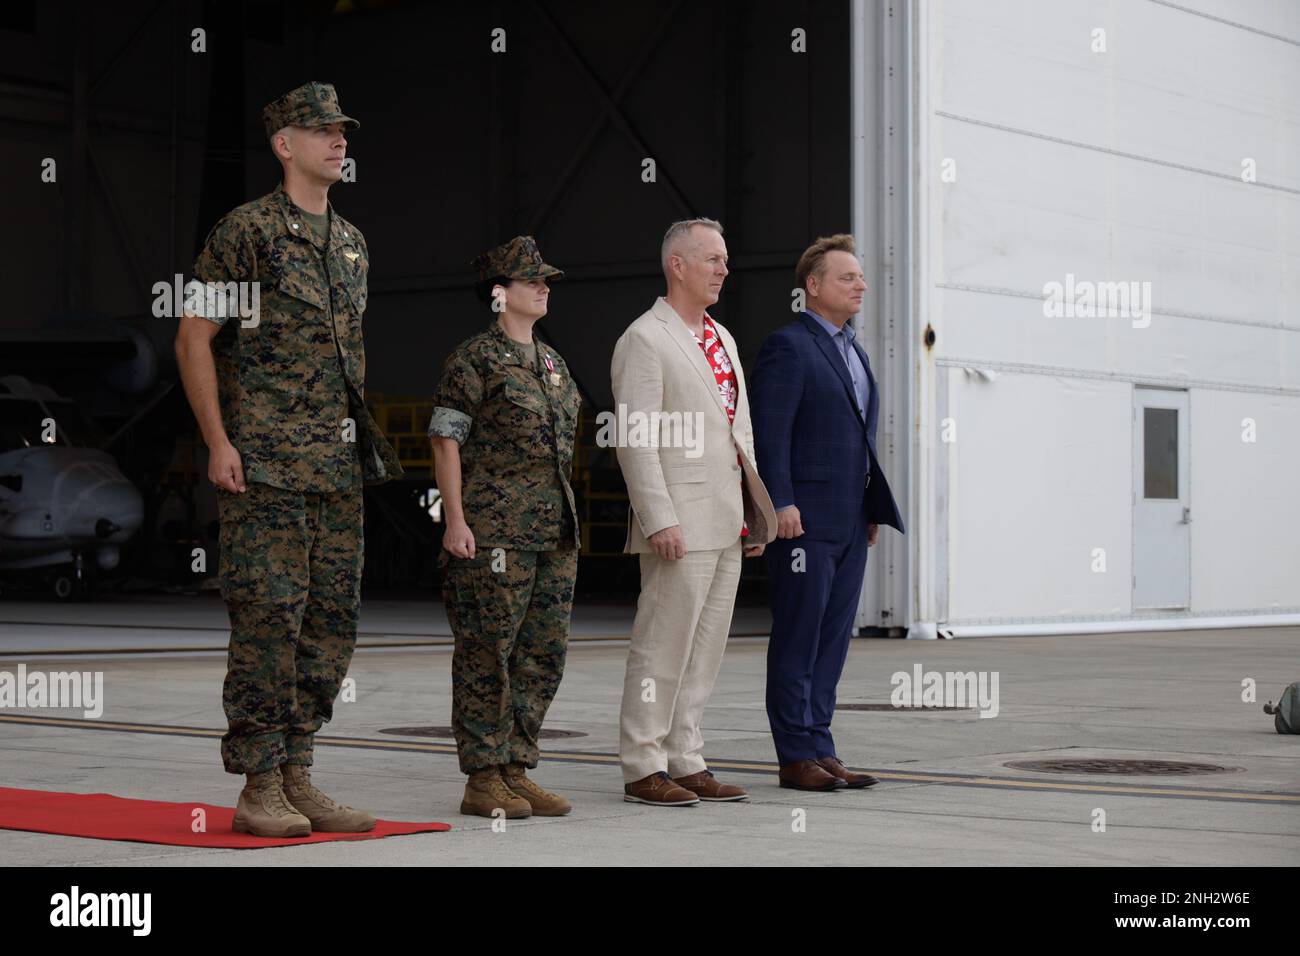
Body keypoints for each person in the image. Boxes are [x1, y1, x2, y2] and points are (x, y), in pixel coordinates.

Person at [175, 82, 402, 836]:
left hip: (336, 469)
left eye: (343, 131)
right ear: (284, 144)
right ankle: (258, 784)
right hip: (265, 465)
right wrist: (218, 443)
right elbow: (194, 337)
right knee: (268, 621)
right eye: (322, 130)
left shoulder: (352, 242)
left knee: (329, 624)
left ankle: (300, 772)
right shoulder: (248, 233)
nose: (340, 141)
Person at [611, 218, 776, 807]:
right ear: (676, 265)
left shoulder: (723, 338)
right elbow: (635, 437)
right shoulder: (645, 338)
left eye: (725, 259)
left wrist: (756, 513)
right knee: (662, 642)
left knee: (705, 645)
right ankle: (643, 763)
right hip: (679, 518)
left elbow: (741, 432)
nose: (724, 269)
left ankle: (685, 755)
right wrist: (659, 517)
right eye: (712, 259)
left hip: (725, 516)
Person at [428, 236, 581, 819]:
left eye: (546, 280)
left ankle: (516, 766)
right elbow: (446, 441)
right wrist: (455, 521)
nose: (544, 287)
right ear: (499, 293)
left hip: (552, 533)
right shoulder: (474, 360)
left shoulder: (552, 363)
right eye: (531, 279)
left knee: (543, 653)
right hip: (492, 532)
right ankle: (482, 776)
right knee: (487, 652)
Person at [750, 234, 905, 791]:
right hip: (804, 521)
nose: (861, 285)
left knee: (833, 640)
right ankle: (795, 756)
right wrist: (781, 502)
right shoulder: (789, 347)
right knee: (800, 635)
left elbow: (856, 439)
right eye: (847, 278)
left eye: (861, 277)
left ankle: (820, 744)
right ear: (812, 287)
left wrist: (867, 508)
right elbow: (771, 432)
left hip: (847, 518)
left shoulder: (854, 350)